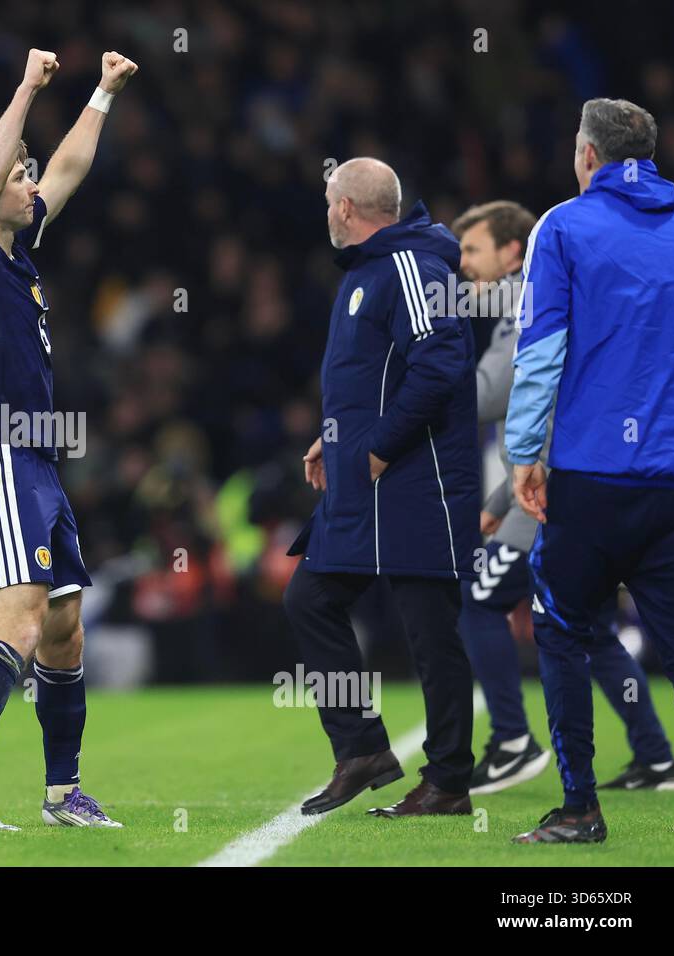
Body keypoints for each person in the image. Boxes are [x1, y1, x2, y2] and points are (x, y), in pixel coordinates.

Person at [0, 48, 137, 830]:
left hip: (37, 463)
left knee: (66, 628)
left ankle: (61, 793)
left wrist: (103, 93)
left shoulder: (18, 255)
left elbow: (69, 170)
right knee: (16, 620)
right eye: (19, 174)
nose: (30, 183)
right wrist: (26, 87)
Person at [453, 200, 674, 795]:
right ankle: (656, 757)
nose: (463, 267)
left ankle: (511, 742)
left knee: (478, 603)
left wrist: (419, 379)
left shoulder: (526, 301)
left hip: (552, 493)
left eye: (472, 251)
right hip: (576, 483)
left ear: (511, 253)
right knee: (592, 629)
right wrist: (501, 499)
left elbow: (490, 394)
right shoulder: (566, 294)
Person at [284, 157, 480, 817]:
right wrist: (334, 436)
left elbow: (440, 365)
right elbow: (378, 374)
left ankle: (449, 780)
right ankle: (362, 747)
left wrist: (379, 447)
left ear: (345, 208)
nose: (327, 212)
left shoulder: (411, 266)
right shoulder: (372, 269)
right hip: (370, 476)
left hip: (417, 480)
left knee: (430, 628)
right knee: (311, 596)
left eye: (329, 201)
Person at [508, 98, 674, 844]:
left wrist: (523, 454)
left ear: (587, 155)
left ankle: (580, 808)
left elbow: (541, 350)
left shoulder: (566, 226)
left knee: (562, 629)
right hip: (673, 477)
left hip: (591, 475)